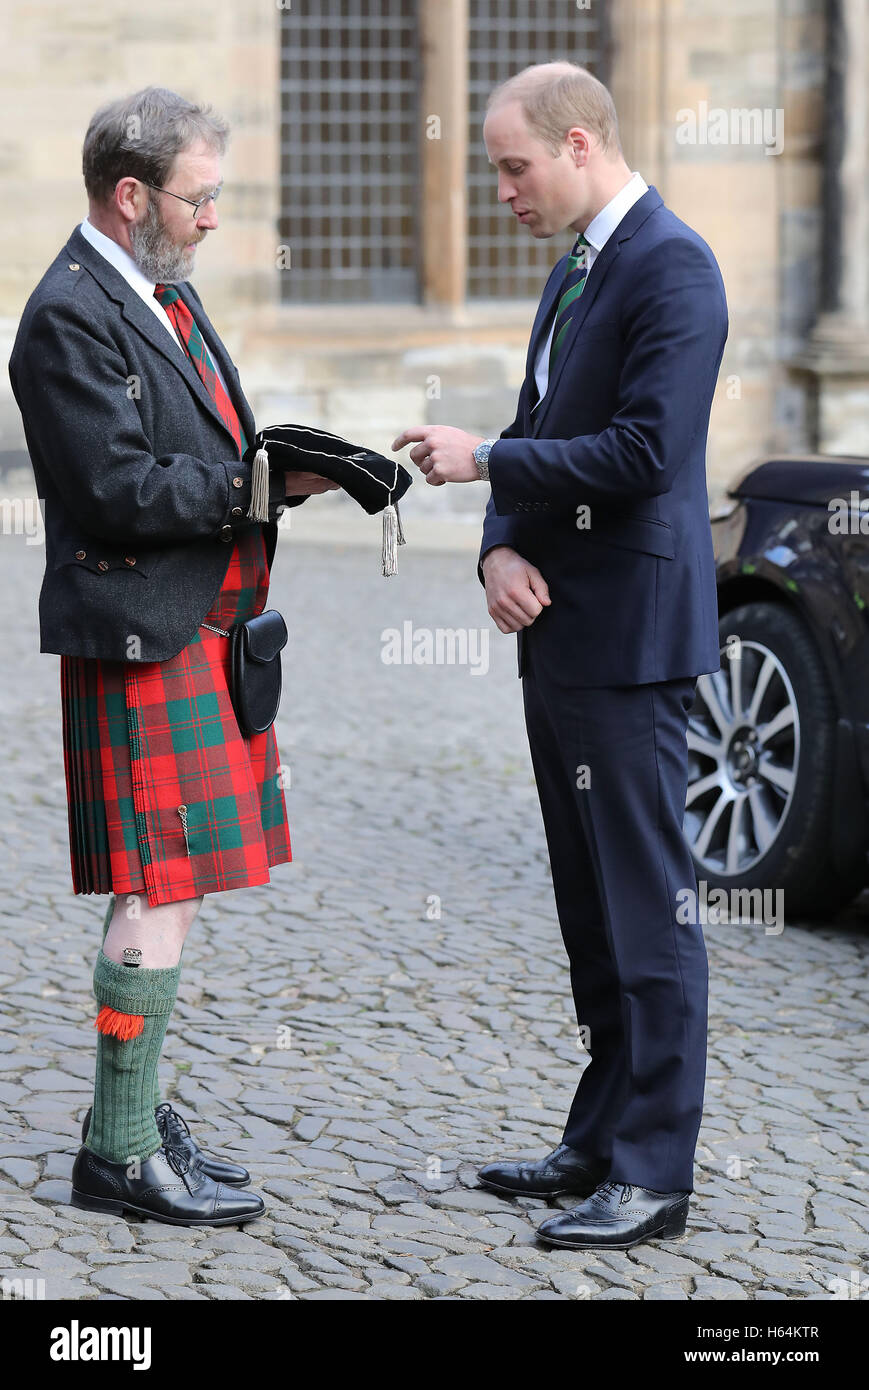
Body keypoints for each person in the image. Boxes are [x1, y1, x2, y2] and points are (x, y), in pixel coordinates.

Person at [393, 62, 728, 1250]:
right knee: (590, 911)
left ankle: (653, 1170)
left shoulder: (674, 266)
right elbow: (542, 428)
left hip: (631, 642)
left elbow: (641, 452)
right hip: (557, 635)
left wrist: (484, 461)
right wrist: (493, 547)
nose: (500, 191)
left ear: (578, 143)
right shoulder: (578, 262)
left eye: (511, 166)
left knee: (647, 911)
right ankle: (596, 1137)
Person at [8, 87, 339, 1226]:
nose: (212, 218)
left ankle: (137, 1118)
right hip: (145, 631)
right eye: (199, 197)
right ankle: (115, 1148)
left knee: (179, 885)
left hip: (202, 628)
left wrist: (289, 459)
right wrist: (264, 483)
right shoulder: (66, 315)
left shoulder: (160, 293)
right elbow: (114, 490)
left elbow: (199, 438)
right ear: (132, 193)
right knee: (157, 883)